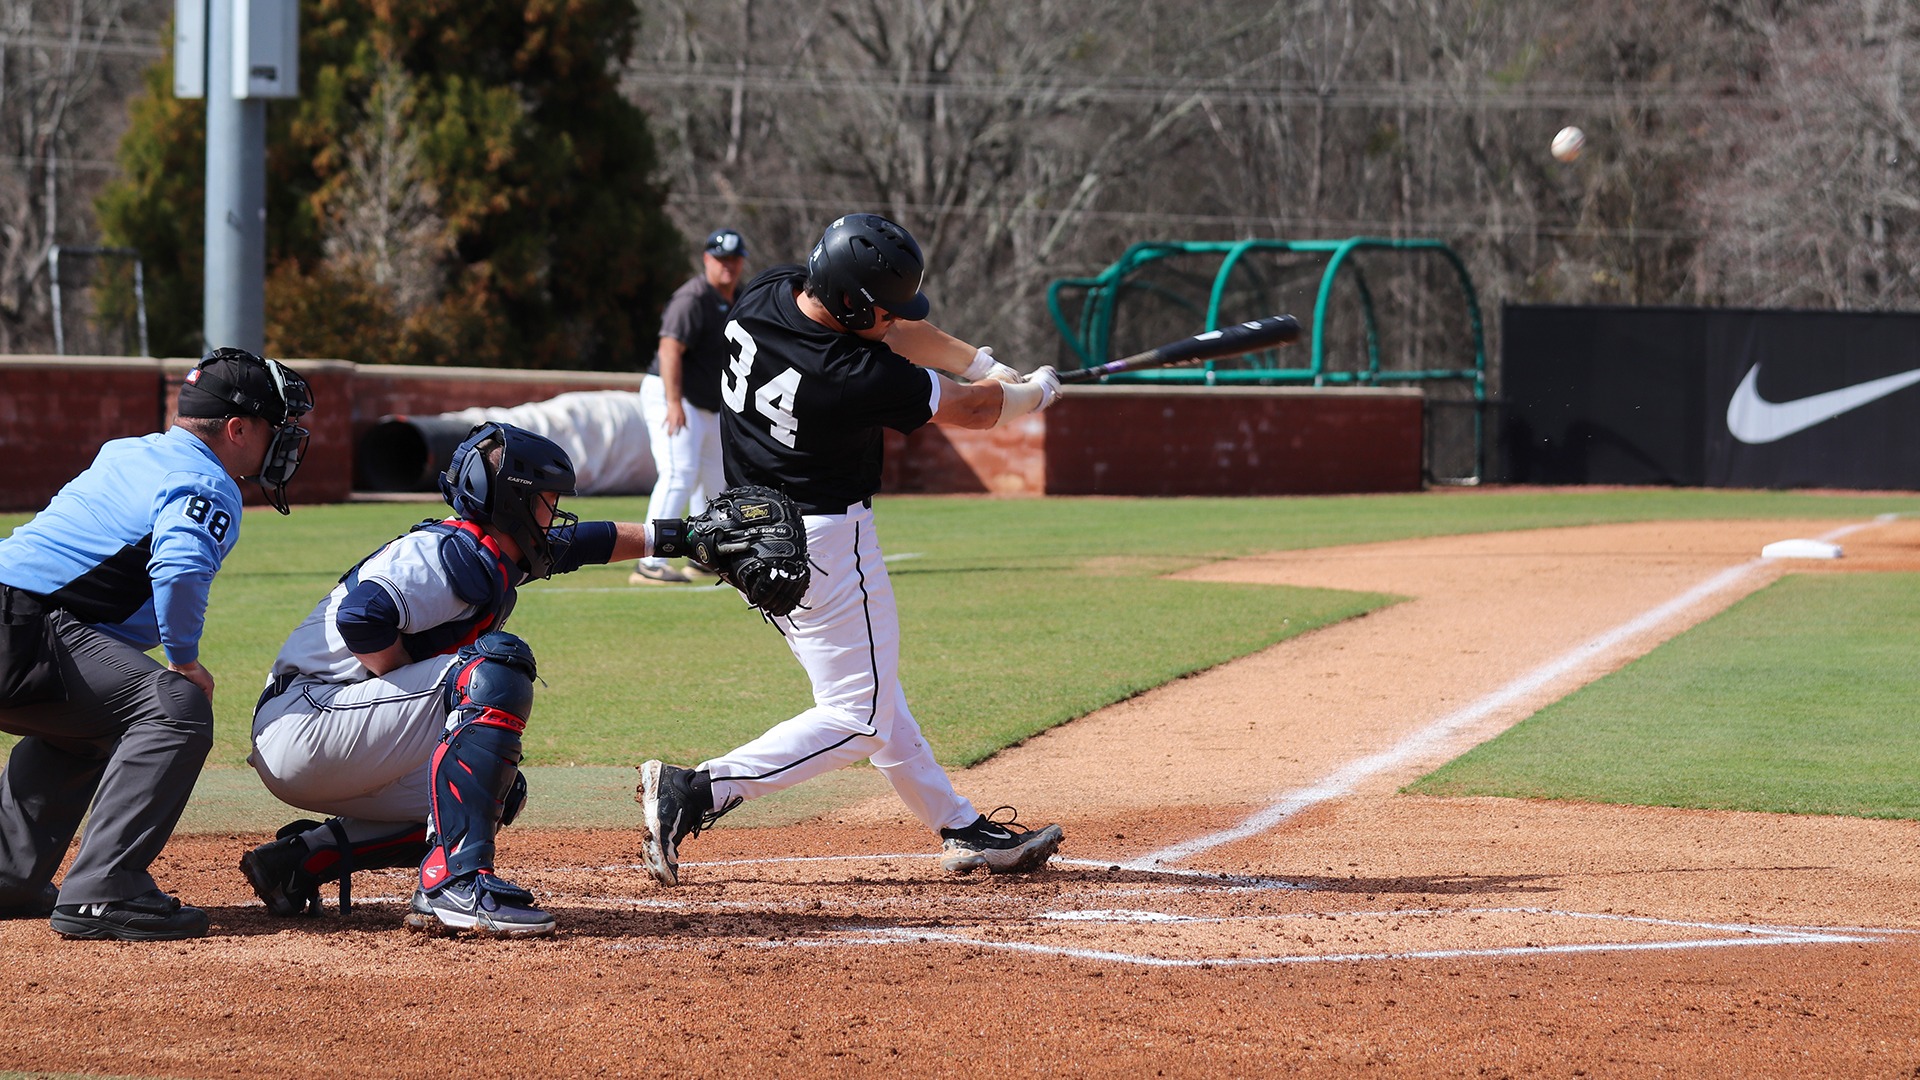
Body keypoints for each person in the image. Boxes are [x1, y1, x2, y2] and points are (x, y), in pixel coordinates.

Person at [637, 213, 1067, 886]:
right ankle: (696, 790)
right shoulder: (854, 373)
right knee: (859, 717)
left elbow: (900, 330)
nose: (891, 319)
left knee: (871, 693)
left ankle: (959, 826)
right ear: (849, 302)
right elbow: (975, 413)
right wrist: (1031, 395)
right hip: (827, 545)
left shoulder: (769, 293)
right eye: (881, 307)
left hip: (749, 533)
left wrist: (984, 365)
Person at [242, 421, 731, 937]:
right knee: (492, 672)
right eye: (546, 499)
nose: (555, 513)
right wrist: (408, 675)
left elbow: (587, 542)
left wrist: (686, 537)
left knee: (492, 789)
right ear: (512, 502)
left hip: (331, 732)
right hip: (308, 721)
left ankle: (299, 861)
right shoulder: (444, 552)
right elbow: (362, 616)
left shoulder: (489, 551)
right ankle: (454, 884)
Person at [0, 348, 314, 941]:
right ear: (238, 428)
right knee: (174, 704)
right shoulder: (205, 481)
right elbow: (179, 566)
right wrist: (184, 660)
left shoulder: (129, 451)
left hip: (20, 623)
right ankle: (103, 888)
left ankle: (8, 872)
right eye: (277, 426)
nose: (285, 441)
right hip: (19, 629)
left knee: (100, 721)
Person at [630, 227, 749, 585]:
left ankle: (705, 553)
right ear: (706, 259)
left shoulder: (737, 296)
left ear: (741, 262)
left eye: (733, 258)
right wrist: (673, 402)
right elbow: (669, 349)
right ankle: (649, 560)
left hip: (707, 404)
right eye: (720, 258)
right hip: (674, 396)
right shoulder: (693, 296)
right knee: (679, 472)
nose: (727, 265)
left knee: (714, 480)